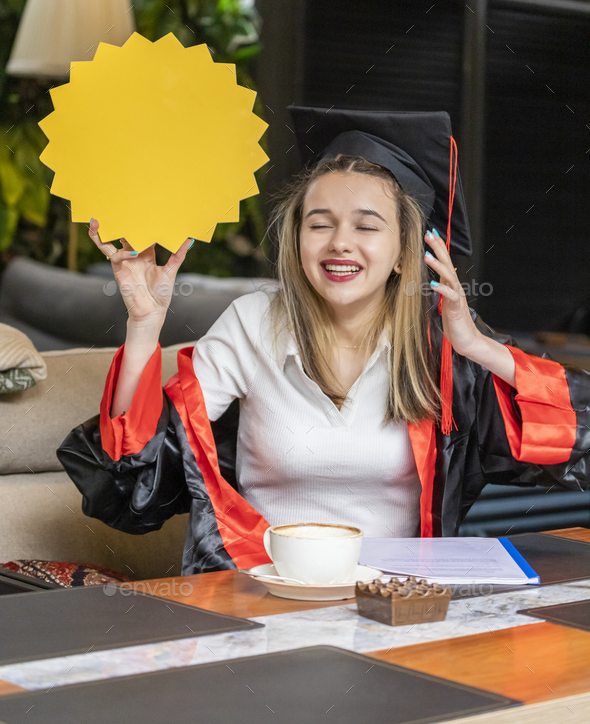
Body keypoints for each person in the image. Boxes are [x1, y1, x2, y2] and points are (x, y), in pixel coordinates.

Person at [57, 107, 590, 575]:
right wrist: (145, 324)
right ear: (297, 238)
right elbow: (133, 474)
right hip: (261, 596)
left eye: (366, 226)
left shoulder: (442, 348)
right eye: (320, 223)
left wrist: (476, 346)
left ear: (406, 251)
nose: (340, 243)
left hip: (399, 606)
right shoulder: (252, 324)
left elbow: (578, 437)